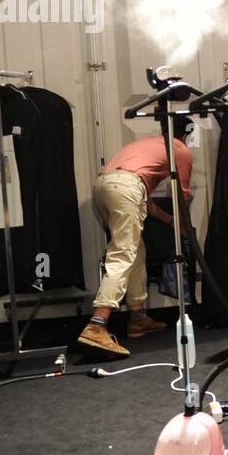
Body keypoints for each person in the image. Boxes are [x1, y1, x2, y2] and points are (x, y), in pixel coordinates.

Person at [77, 116, 194, 357]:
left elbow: (143, 201)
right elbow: (181, 196)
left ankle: (138, 318)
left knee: (135, 250)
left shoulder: (146, 146)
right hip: (125, 189)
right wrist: (184, 226)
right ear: (186, 135)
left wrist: (171, 222)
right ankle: (96, 326)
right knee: (123, 254)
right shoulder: (180, 149)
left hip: (102, 188)